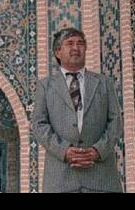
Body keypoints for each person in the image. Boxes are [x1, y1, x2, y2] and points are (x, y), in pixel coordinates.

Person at [31, 28, 121, 192]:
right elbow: (39, 124)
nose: (75, 48)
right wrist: (64, 151)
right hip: (61, 179)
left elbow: (115, 122)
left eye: (80, 43)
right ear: (58, 52)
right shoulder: (46, 86)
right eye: (69, 43)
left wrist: (97, 151)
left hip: (101, 177)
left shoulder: (103, 83)